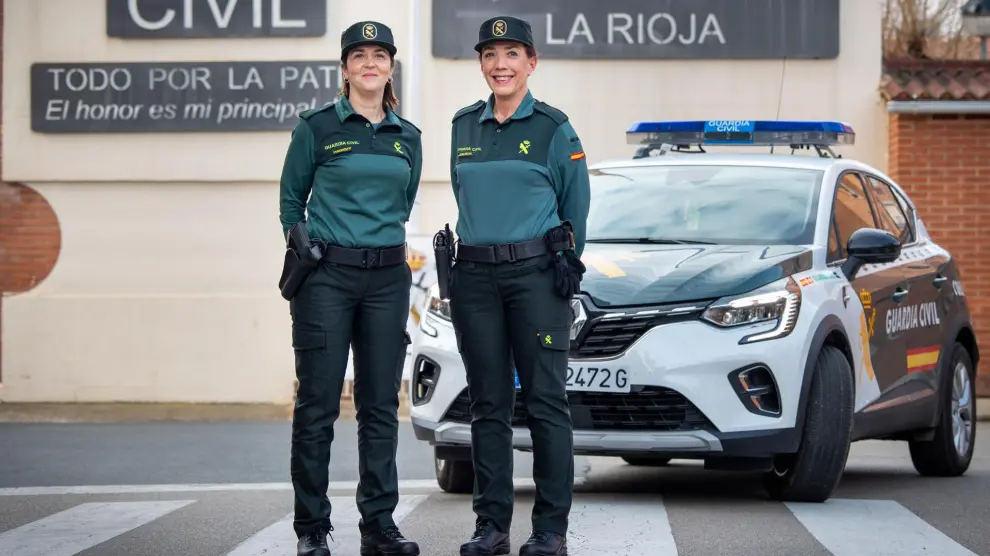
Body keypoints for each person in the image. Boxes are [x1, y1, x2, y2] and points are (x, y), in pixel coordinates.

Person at [446, 15, 591, 556]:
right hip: (475, 278)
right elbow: (467, 199)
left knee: (546, 402)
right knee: (488, 403)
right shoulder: (463, 126)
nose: (499, 65)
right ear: (481, 64)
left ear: (532, 62)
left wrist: (561, 266)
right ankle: (492, 526)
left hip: (536, 278)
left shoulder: (555, 128)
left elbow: (577, 210)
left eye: (511, 54)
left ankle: (550, 530)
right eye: (490, 55)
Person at [278, 20, 423, 556]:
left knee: (381, 404)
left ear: (389, 67)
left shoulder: (408, 137)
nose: (369, 63)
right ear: (344, 69)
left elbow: (401, 206)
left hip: (387, 279)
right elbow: (292, 202)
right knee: (317, 403)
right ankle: (312, 528)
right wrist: (307, 249)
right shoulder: (314, 128)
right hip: (327, 280)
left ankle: (378, 525)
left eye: (379, 55)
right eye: (358, 55)